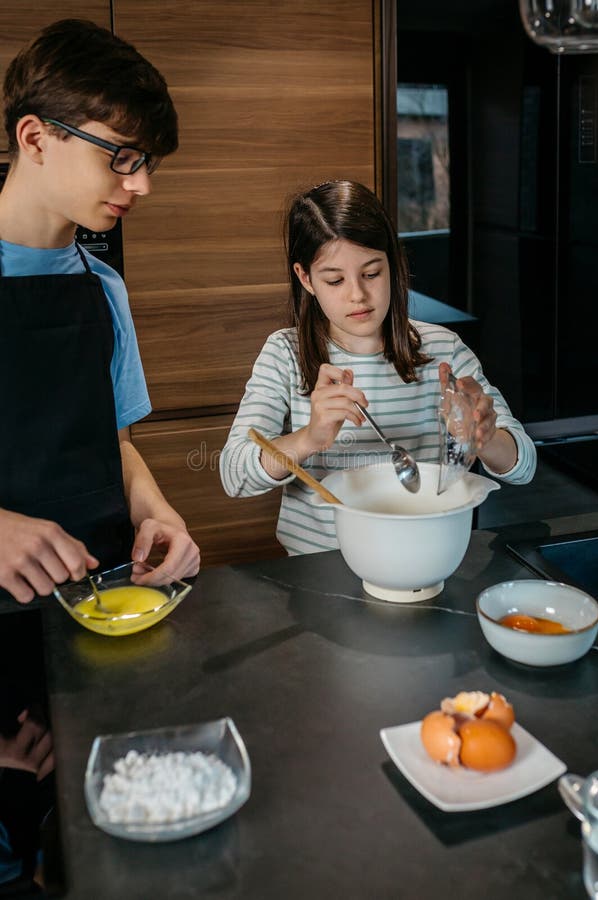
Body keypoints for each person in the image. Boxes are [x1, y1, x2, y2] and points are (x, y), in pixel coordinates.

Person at [220, 180, 537, 555]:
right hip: (319, 570)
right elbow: (234, 475)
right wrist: (310, 438)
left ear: (394, 264)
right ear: (305, 278)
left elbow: (524, 465)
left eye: (371, 273)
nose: (357, 294)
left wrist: (484, 438)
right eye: (334, 280)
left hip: (425, 558)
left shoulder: (444, 349)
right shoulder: (284, 354)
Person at [0, 19, 200, 603]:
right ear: (36, 138)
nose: (141, 186)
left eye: (147, 163)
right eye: (121, 156)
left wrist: (156, 511)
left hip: (100, 591)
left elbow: (110, 444)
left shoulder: (103, 287)